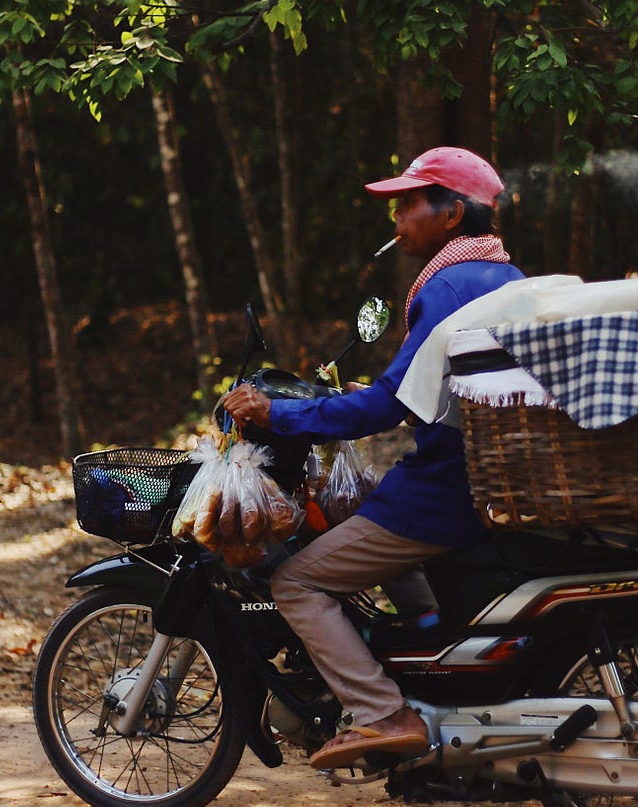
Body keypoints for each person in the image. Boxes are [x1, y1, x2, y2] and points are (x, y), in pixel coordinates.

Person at [223, 146, 524, 771]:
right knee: (370, 506)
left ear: (451, 214)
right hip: (490, 478)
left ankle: (381, 713)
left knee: (295, 580)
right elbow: (461, 393)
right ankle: (424, 638)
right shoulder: (505, 277)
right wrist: (389, 399)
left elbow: (386, 406)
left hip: (448, 488)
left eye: (408, 204)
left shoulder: (446, 285)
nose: (397, 219)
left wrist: (279, 414)